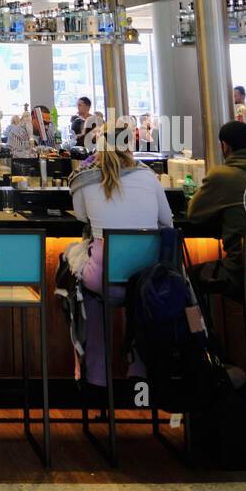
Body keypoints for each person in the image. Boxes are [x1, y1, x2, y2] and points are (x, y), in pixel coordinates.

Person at [67, 142, 173, 386]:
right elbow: (167, 220)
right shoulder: (149, 177)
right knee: (139, 299)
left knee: (85, 287)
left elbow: (82, 217)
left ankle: (96, 375)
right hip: (148, 282)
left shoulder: (85, 180)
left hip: (103, 279)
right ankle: (139, 370)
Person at [186, 120, 246, 300]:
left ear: (224, 146)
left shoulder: (222, 176)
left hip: (241, 275)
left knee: (188, 278)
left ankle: (204, 328)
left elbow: (194, 215)